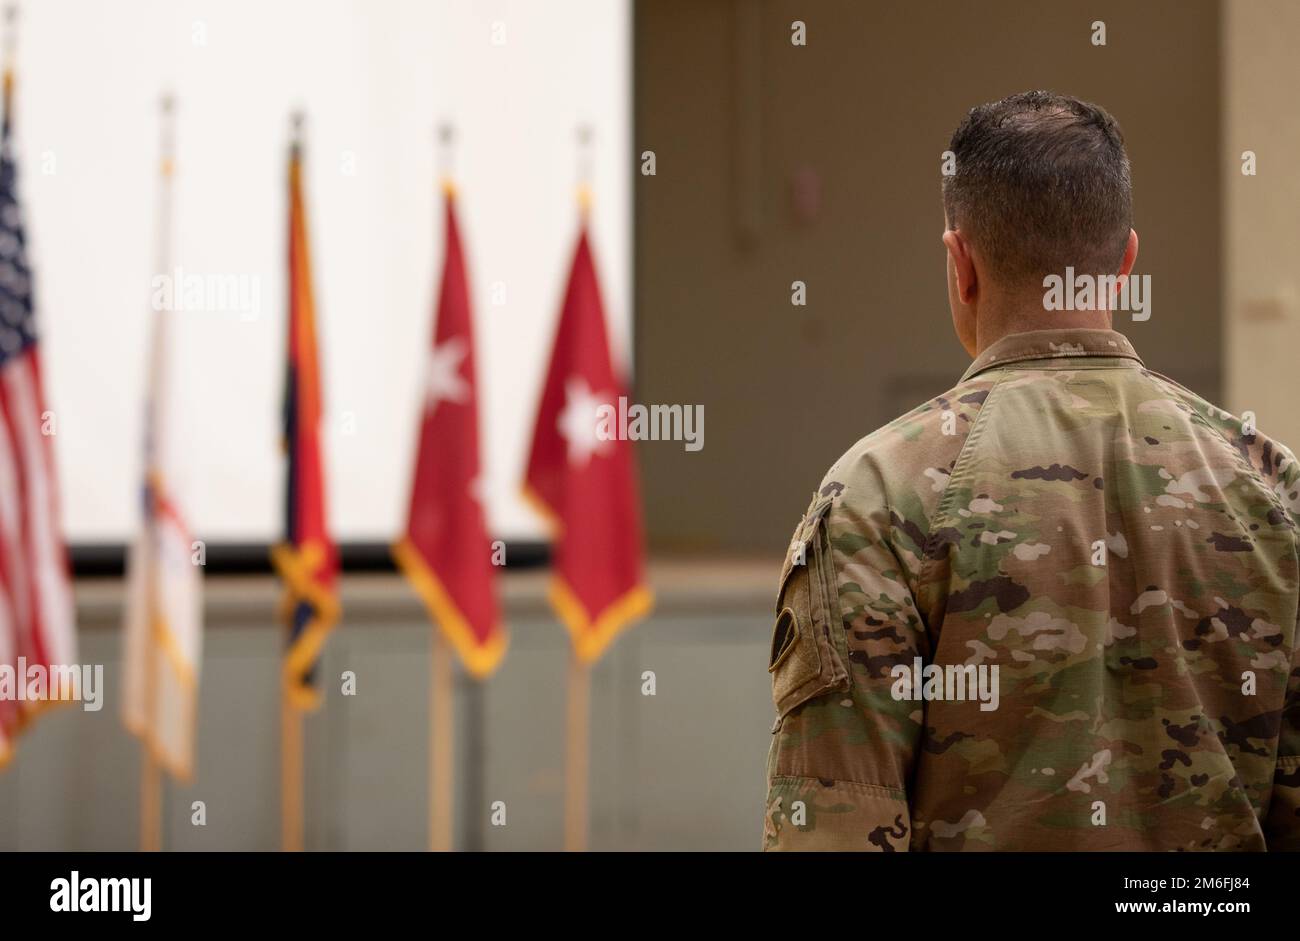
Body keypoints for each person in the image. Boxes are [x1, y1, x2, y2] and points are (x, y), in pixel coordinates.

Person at [763, 91, 1300, 851]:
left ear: (961, 263)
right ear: (1124, 264)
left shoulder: (878, 496)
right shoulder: (1271, 488)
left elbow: (833, 830)